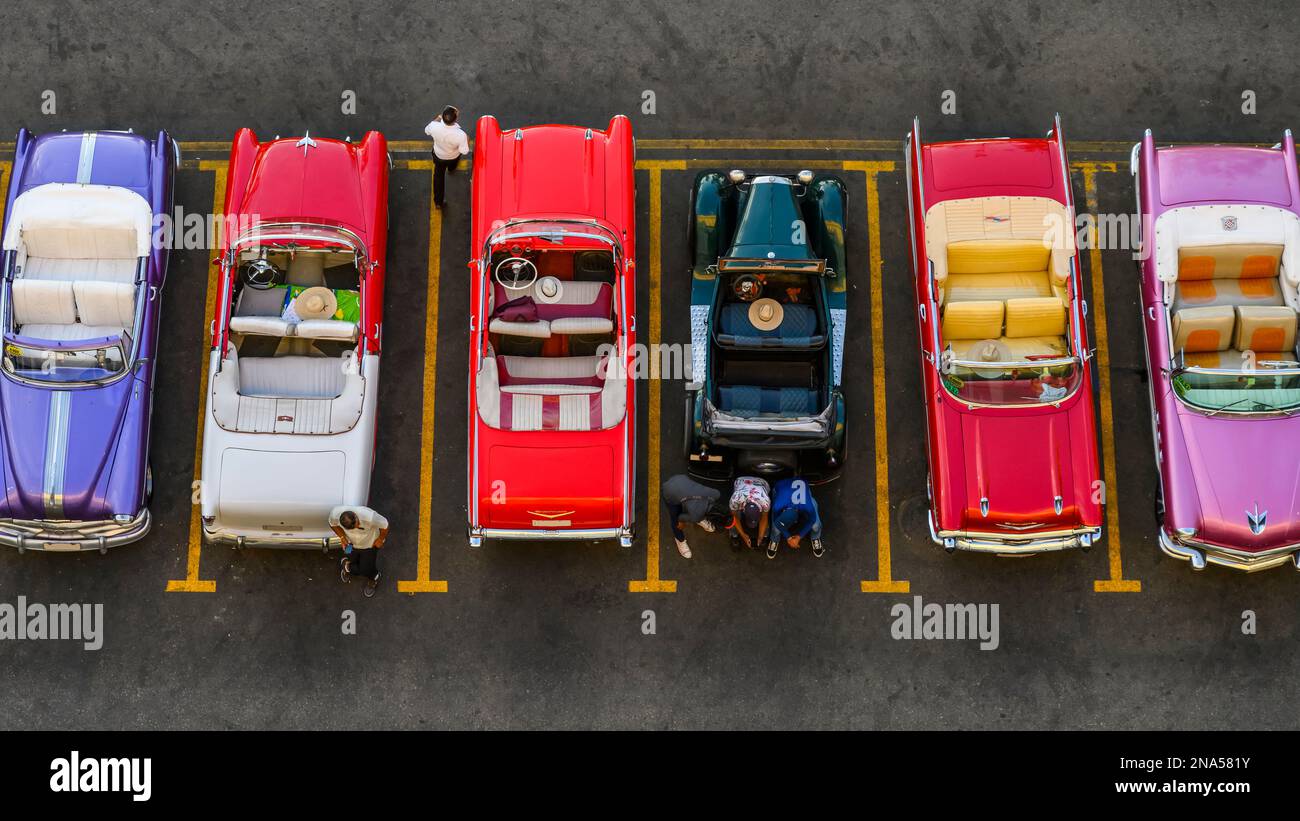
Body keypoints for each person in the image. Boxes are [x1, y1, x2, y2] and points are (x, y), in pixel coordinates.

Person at [660, 473, 727, 559]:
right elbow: (681, 518)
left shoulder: (716, 494)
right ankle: (680, 539)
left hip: (681, 479)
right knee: (675, 519)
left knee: (694, 510)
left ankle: (698, 515)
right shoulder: (696, 515)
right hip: (669, 490)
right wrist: (680, 523)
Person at [331, 506, 390, 597]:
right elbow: (332, 524)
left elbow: (385, 525)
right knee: (349, 556)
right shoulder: (335, 515)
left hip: (369, 545)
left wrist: (381, 539)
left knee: (366, 569)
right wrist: (342, 537)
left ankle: (373, 578)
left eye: (358, 524)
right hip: (350, 544)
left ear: (355, 515)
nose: (358, 527)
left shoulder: (370, 516)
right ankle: (347, 564)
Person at [424, 105, 470, 209]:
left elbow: (427, 130)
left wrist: (438, 118)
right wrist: (467, 139)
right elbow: (464, 150)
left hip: (438, 155)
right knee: (452, 165)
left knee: (438, 178)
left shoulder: (434, 126)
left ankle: (438, 202)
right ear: (455, 119)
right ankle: (451, 169)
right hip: (453, 157)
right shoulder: (461, 135)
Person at [769, 477, 825, 559]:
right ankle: (774, 539)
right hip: (780, 487)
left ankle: (815, 537)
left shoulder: (807, 506)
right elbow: (776, 520)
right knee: (775, 528)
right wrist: (788, 537)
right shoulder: (777, 505)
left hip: (804, 494)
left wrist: (799, 536)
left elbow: (812, 519)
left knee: (816, 525)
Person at [727, 476, 771, 552]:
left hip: (762, 481)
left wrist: (760, 536)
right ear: (743, 509)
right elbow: (734, 517)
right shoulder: (735, 499)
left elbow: (764, 517)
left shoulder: (765, 502)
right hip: (741, 480)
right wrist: (743, 535)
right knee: (733, 517)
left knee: (767, 516)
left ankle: (764, 536)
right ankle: (734, 536)